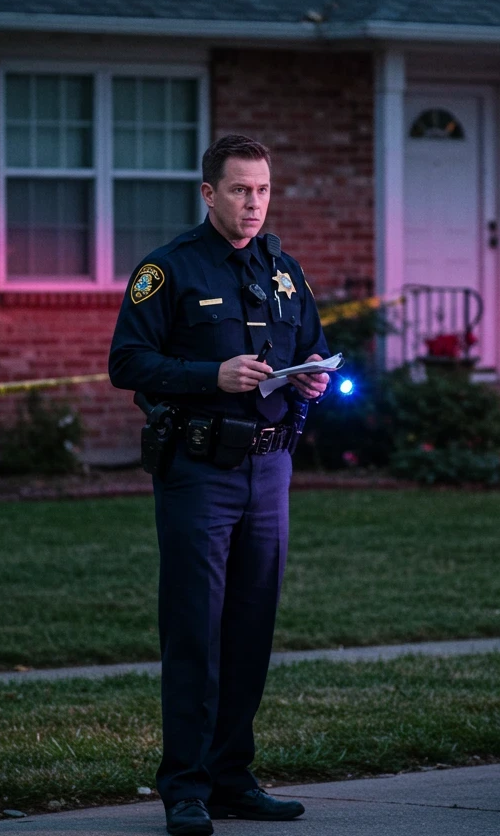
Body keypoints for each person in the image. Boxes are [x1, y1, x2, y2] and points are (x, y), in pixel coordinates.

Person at [109, 134, 330, 836]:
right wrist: (211, 376)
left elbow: (307, 350)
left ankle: (232, 777)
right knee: (195, 631)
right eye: (239, 190)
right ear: (208, 194)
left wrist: (313, 377)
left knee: (249, 630)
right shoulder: (168, 270)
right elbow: (128, 362)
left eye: (262, 189)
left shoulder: (284, 271)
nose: (253, 202)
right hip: (199, 473)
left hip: (270, 471)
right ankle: (186, 788)